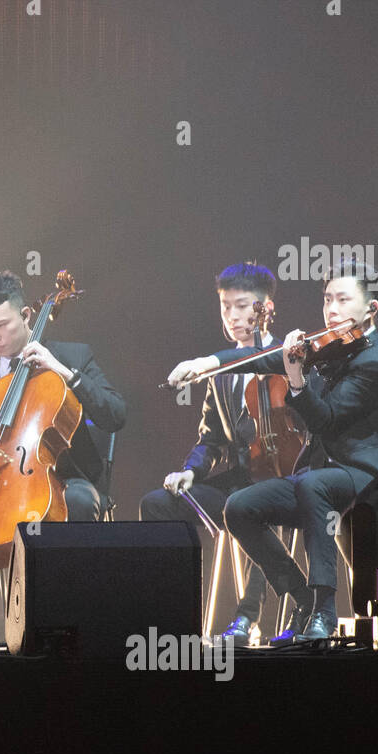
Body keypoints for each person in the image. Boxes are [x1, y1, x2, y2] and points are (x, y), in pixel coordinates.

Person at [166, 259, 378, 643]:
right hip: (320, 476)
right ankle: (301, 594)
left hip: (361, 474)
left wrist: (295, 380)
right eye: (327, 299)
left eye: (343, 300)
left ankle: (325, 608)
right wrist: (206, 363)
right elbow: (265, 358)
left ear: (371, 308)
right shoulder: (334, 344)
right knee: (239, 507)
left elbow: (325, 420)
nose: (332, 310)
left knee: (314, 486)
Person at [139, 263, 277, 642]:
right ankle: (173, 614)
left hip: (282, 482)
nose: (232, 316)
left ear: (265, 308)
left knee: (253, 509)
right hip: (238, 482)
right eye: (225, 307)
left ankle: (247, 619)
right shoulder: (220, 372)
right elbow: (210, 440)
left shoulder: (287, 356)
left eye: (242, 306)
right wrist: (192, 473)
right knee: (157, 504)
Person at [0, 270, 125, 526]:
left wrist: (65, 373)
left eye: (1, 325)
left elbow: (115, 415)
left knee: (78, 501)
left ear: (25, 315)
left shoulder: (72, 357)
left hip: (63, 478)